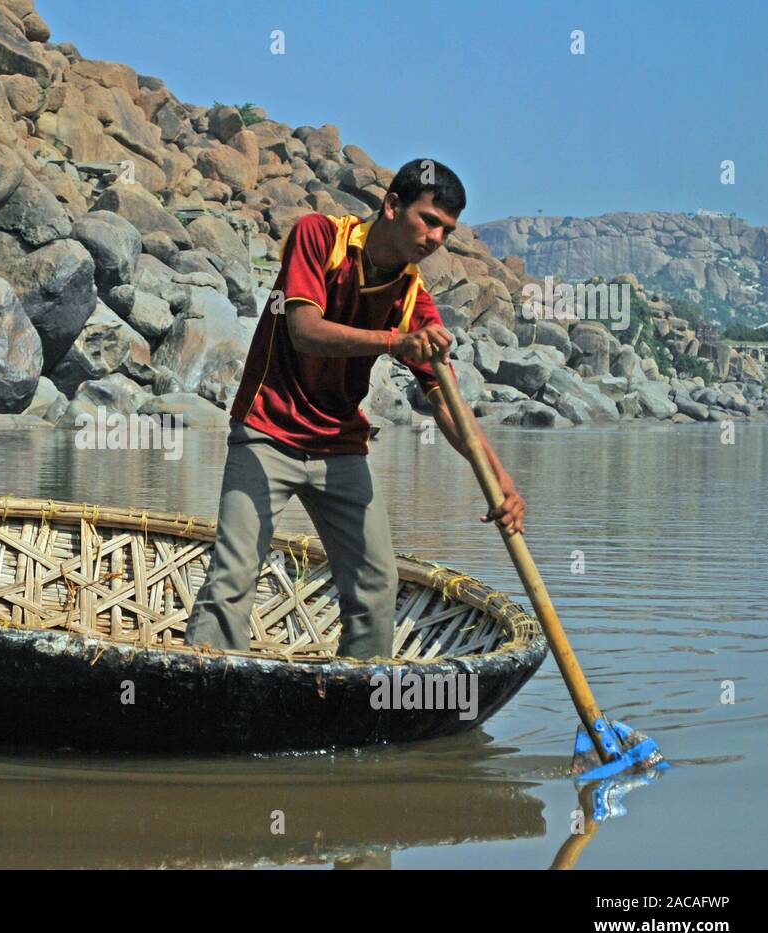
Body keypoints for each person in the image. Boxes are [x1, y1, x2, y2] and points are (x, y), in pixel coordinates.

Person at [183, 158, 526, 659]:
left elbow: (447, 404)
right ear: (391, 206)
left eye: (446, 231)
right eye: (428, 220)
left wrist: (500, 480)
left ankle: (363, 696)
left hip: (338, 445)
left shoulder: (413, 298)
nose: (434, 238)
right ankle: (205, 687)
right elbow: (304, 330)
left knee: (376, 584)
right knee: (233, 579)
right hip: (266, 430)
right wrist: (394, 342)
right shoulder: (319, 237)